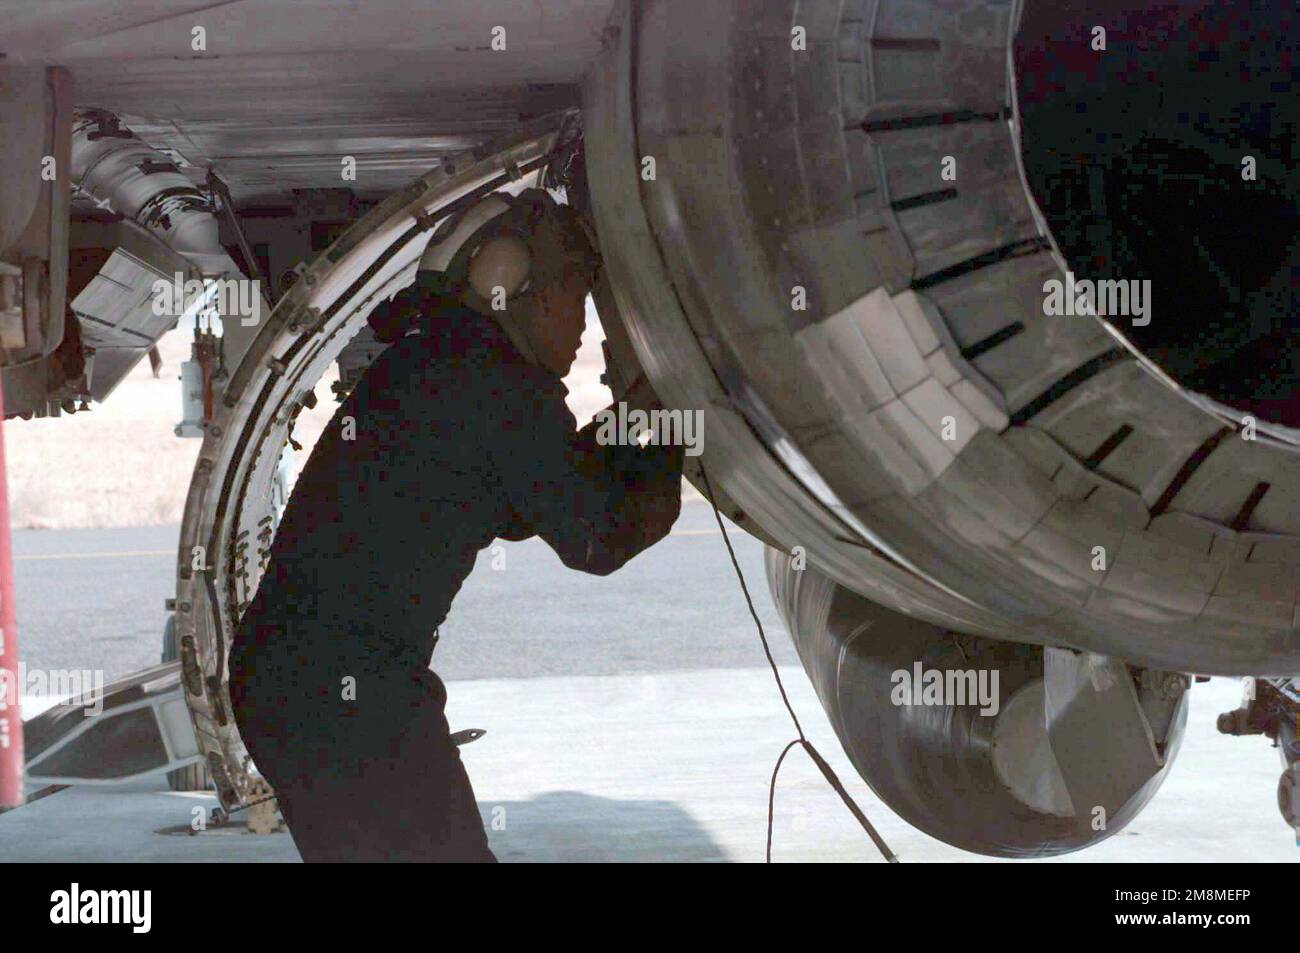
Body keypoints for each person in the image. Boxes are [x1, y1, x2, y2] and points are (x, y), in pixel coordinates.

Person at [228, 187, 684, 862]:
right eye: (574, 294)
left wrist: (633, 425)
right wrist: (669, 426)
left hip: (302, 685)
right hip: (345, 695)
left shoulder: (438, 363)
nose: (583, 324)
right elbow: (596, 534)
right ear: (513, 288)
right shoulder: (494, 385)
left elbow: (528, 493)